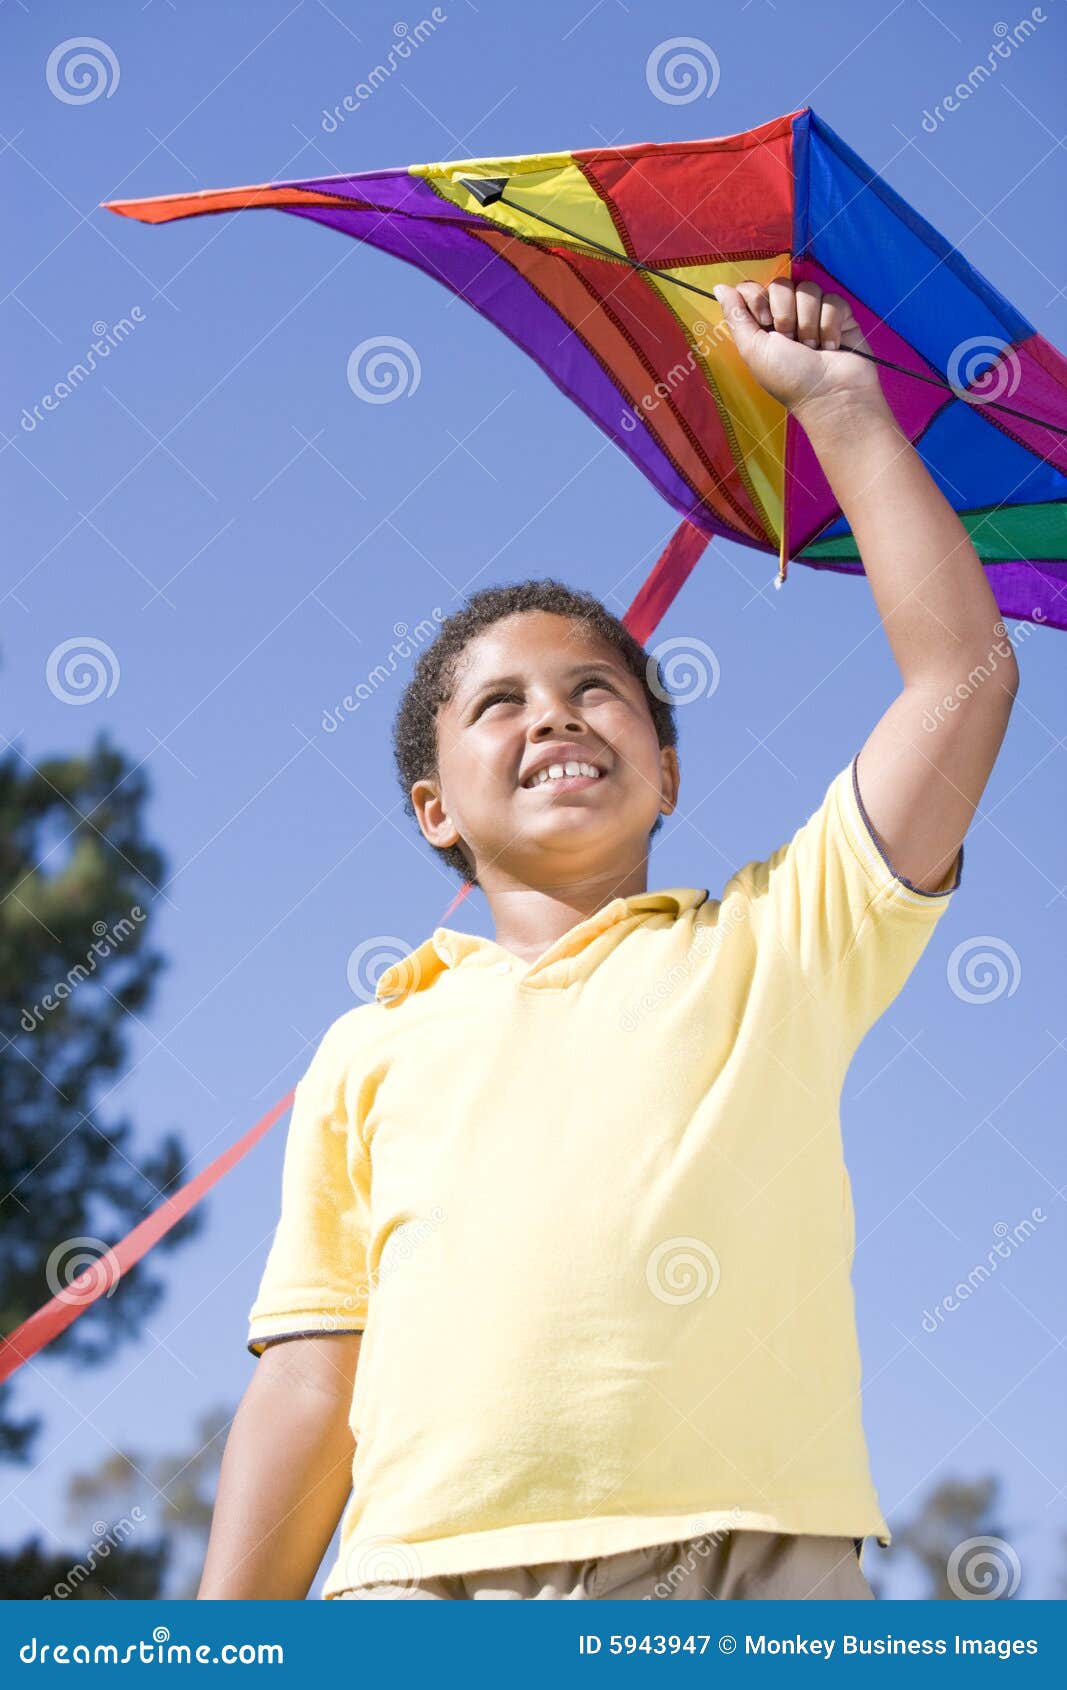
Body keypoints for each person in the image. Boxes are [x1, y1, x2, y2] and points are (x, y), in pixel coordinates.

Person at [197, 277, 1018, 1601]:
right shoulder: (371, 1045)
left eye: (600, 690)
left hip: (750, 1568)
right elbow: (307, 1383)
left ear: (669, 772)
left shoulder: (777, 940)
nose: (560, 715)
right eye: (501, 703)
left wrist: (842, 403)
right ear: (435, 808)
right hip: (425, 1595)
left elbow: (960, 677)